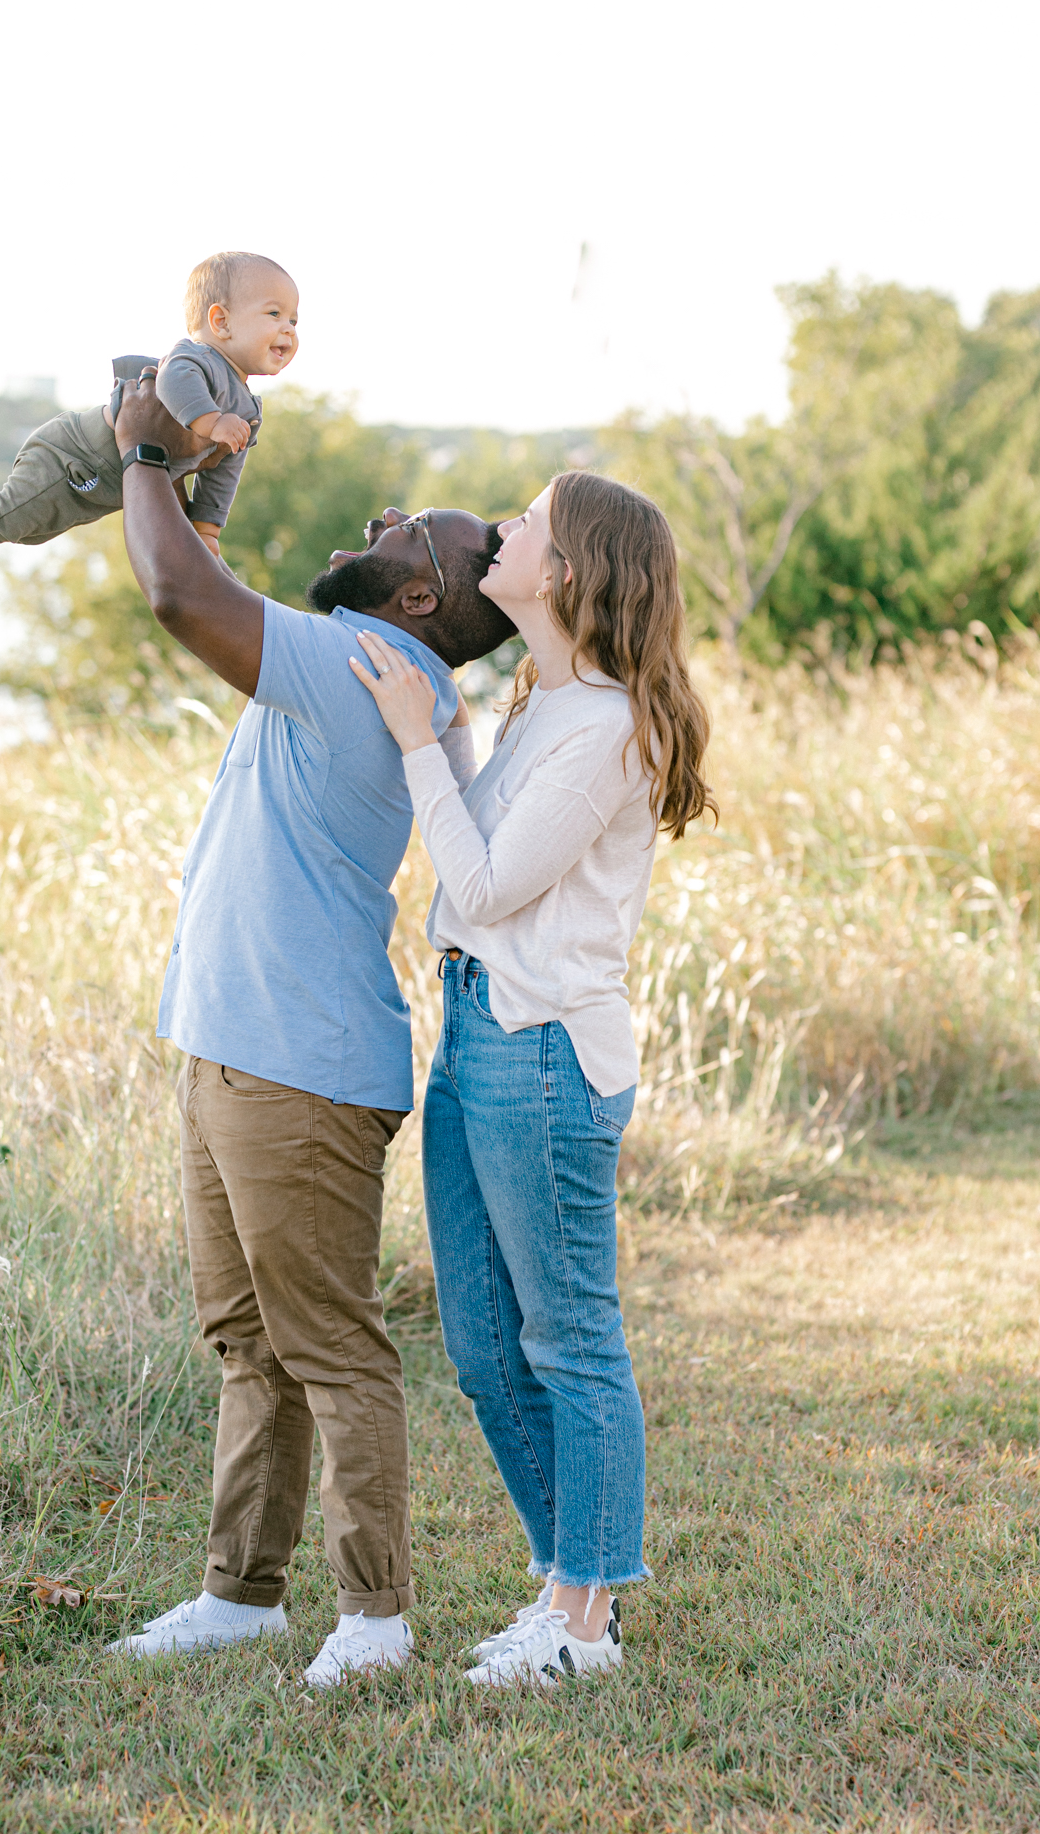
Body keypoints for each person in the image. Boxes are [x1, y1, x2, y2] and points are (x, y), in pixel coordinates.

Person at [100, 370, 515, 1686]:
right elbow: (203, 569)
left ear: (419, 599)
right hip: (235, 1043)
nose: (388, 515)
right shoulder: (365, 659)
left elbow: (176, 593)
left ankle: (375, 1620)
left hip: (297, 1067)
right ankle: (240, 1594)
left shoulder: (366, 661)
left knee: (327, 1345)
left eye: (416, 532)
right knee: (247, 1343)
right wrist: (200, 468)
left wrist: (143, 452)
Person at [348, 470, 715, 1689]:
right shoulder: (540, 706)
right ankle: (567, 1582)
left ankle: (583, 1622)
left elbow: (487, 886)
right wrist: (435, 724)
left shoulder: (606, 724)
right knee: (480, 1341)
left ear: (562, 572)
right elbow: (477, 876)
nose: (499, 528)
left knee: (568, 1337)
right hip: (475, 1033)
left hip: (547, 1048)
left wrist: (417, 749)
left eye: (526, 522)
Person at [0, 251, 297, 575]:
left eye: (295, 320)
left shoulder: (247, 410)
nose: (289, 329)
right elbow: (173, 383)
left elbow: (223, 472)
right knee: (8, 518)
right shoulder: (194, 358)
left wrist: (207, 528)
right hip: (74, 454)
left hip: (100, 485)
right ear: (220, 321)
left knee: (32, 532)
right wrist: (211, 421)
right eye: (275, 314)